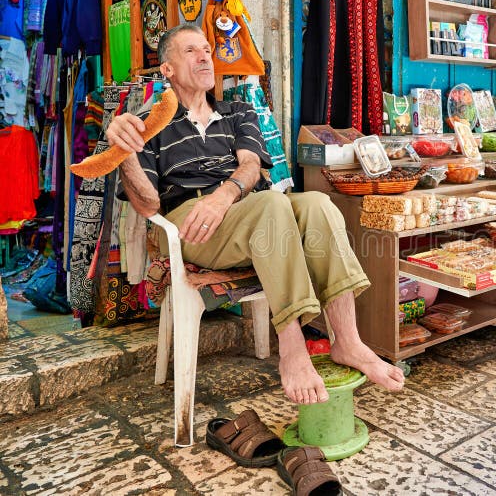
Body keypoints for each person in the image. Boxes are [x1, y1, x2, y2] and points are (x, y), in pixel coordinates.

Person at [108, 23, 404, 404]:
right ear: (166, 69)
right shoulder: (150, 124)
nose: (204, 57)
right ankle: (293, 345)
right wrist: (125, 154)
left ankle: (347, 340)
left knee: (317, 203)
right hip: (192, 221)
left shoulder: (238, 111)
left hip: (243, 204)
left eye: (206, 50)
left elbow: (250, 167)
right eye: (190, 51)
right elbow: (147, 205)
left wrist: (223, 196)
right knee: (272, 204)